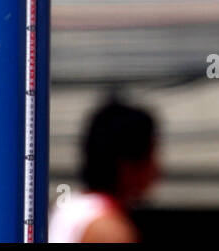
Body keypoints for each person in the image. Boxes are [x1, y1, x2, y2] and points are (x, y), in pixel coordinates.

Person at [49, 99, 159, 243]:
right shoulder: (111, 231)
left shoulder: (66, 207)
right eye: (151, 155)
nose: (157, 169)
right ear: (126, 165)